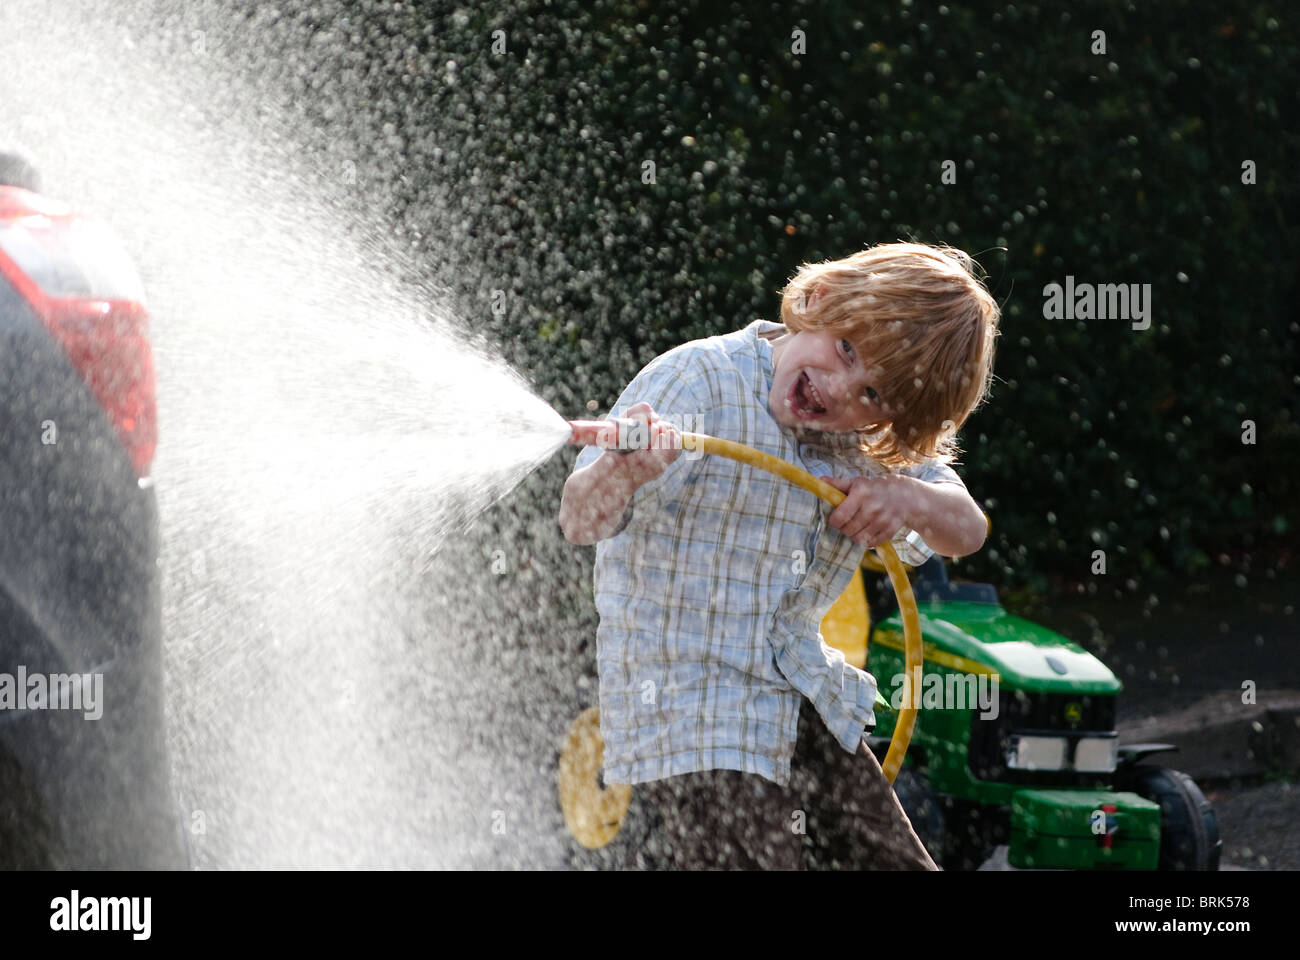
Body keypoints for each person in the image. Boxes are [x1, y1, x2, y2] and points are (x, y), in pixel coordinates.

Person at [559, 242, 999, 869]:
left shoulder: (867, 443)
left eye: (872, 393)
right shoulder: (700, 380)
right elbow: (579, 519)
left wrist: (908, 498)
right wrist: (621, 474)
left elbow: (969, 528)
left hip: (803, 695)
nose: (839, 389)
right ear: (818, 302)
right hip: (692, 708)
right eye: (845, 350)